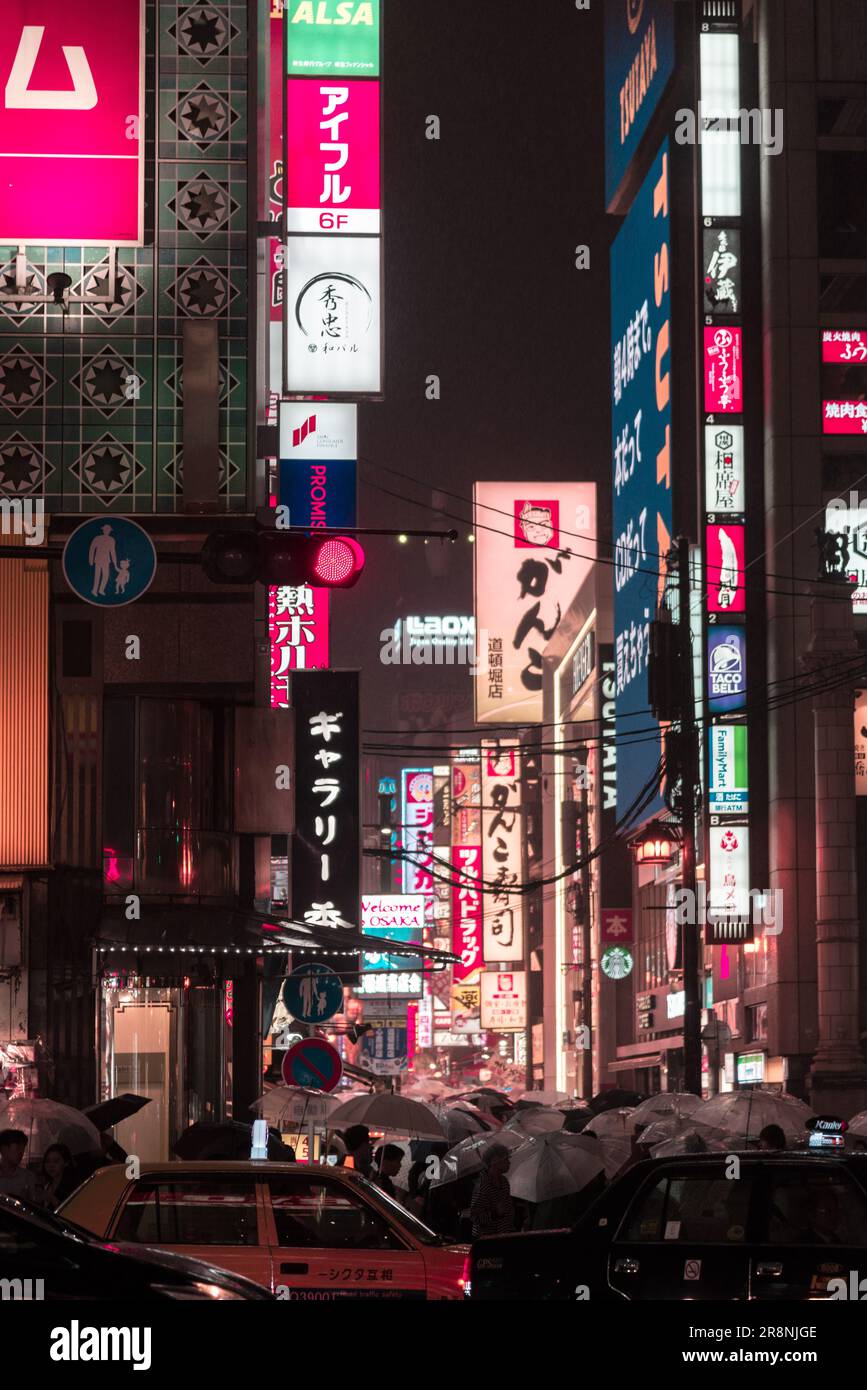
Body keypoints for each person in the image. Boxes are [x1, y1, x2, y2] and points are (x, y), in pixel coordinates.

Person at [469, 1144, 515, 1239]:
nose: (509, 1163)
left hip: (504, 1236)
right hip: (487, 1240)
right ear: (495, 1161)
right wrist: (495, 1213)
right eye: (506, 1159)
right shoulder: (483, 1185)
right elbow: (475, 1216)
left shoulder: (504, 1182)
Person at [0, 1128, 43, 1205]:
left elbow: (35, 1204)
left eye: (23, 1150)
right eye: (17, 1148)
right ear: (4, 1148)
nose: (21, 1153)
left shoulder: (28, 1177)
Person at [40, 1144, 77, 1210]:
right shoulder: (46, 1185)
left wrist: (52, 1199)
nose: (51, 1165)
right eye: (47, 1161)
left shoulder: (71, 1186)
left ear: (66, 1163)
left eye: (56, 1161)